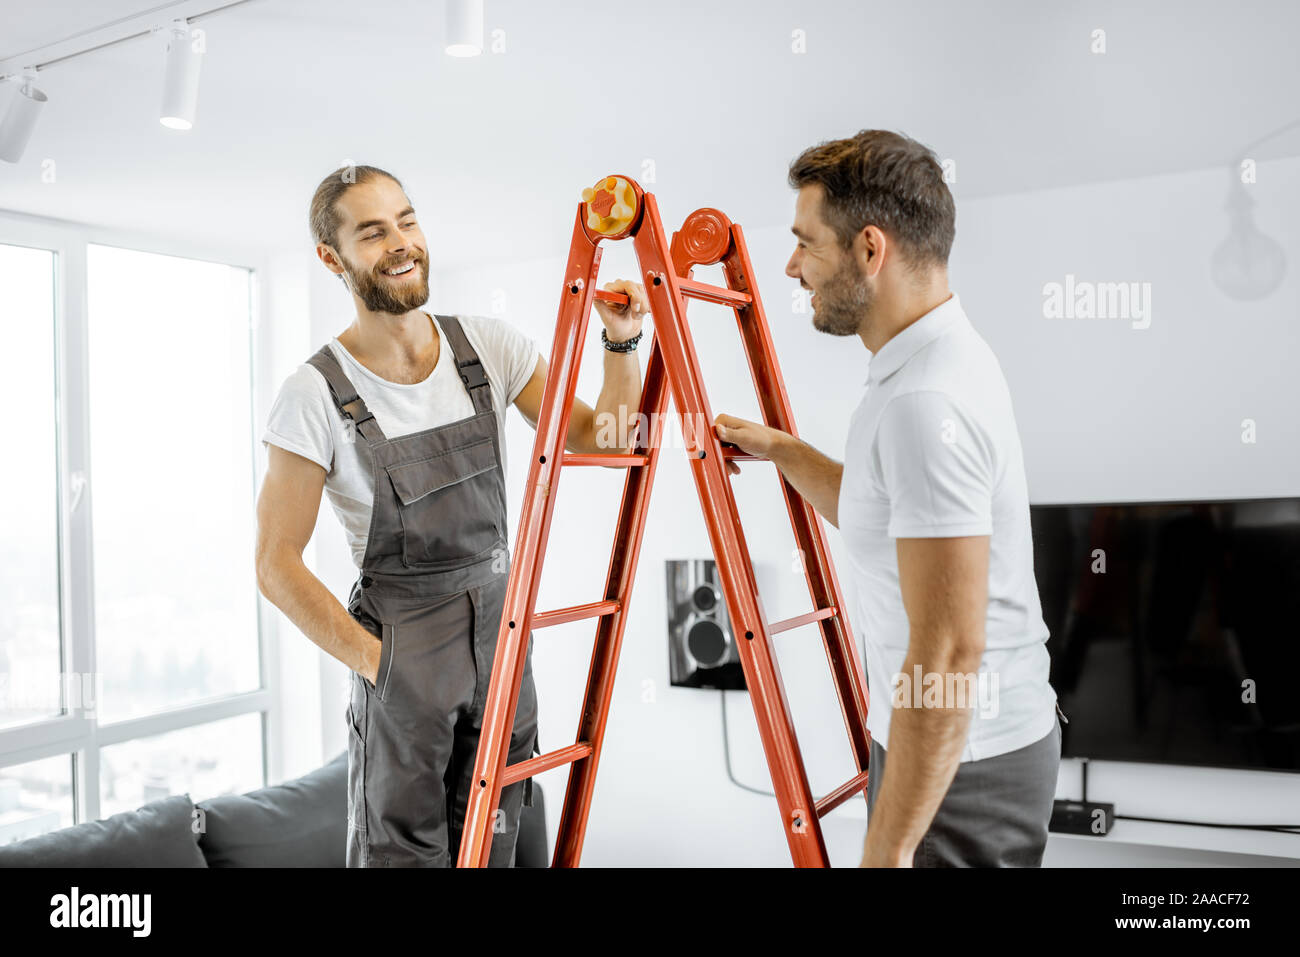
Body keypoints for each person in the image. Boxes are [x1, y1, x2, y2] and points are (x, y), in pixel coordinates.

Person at [255, 164, 648, 866]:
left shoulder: (488, 347)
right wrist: (379, 666)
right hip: (405, 654)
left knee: (494, 842)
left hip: (500, 645)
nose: (401, 242)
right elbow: (275, 563)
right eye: (373, 232)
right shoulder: (313, 394)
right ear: (331, 257)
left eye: (407, 220)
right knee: (404, 855)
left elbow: (603, 436)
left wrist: (619, 342)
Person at [713, 131, 1063, 867]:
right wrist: (786, 450)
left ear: (870, 248)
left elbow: (947, 651)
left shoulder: (923, 401)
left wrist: (888, 851)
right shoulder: (926, 359)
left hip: (959, 765)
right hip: (953, 745)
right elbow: (893, 513)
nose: (790, 266)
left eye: (806, 243)